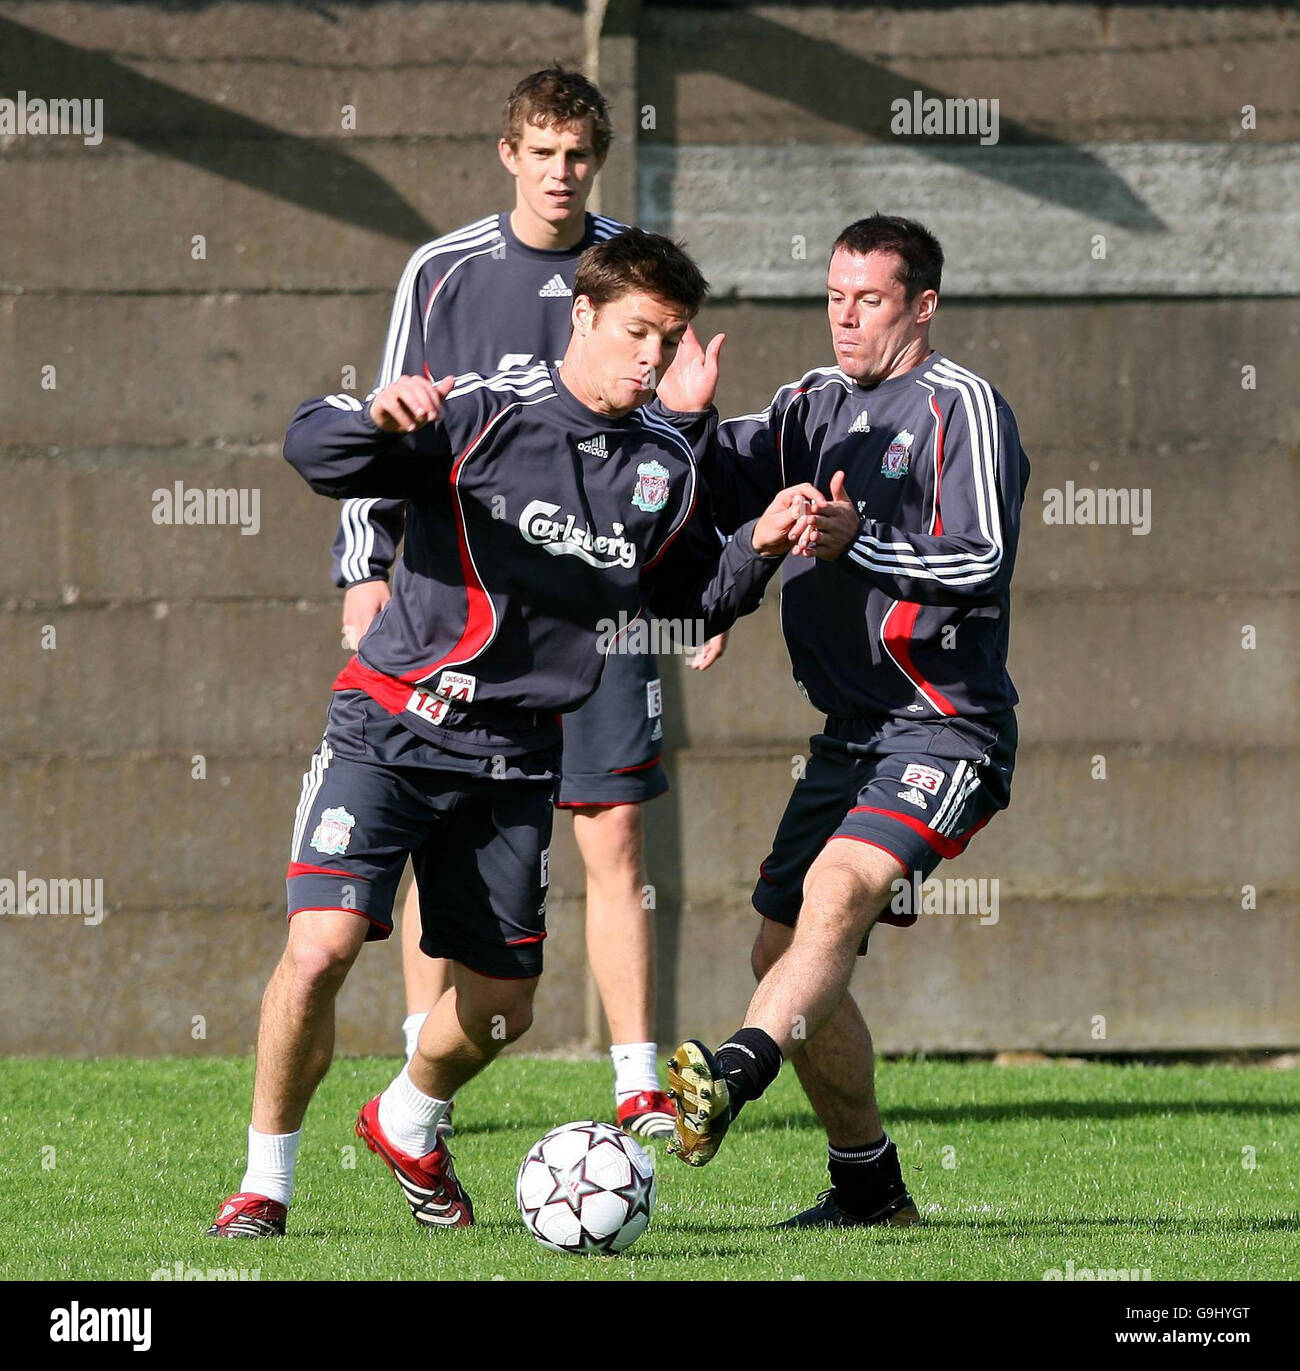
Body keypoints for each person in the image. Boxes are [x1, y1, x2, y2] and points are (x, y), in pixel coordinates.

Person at [208, 228, 816, 1236]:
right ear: (580, 316)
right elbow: (311, 450)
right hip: (390, 726)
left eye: (667, 343)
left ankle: (405, 1116)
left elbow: (682, 609)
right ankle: (263, 1186)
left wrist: (755, 547)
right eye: (636, 334)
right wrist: (374, 418)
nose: (651, 360)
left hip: (515, 754)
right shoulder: (485, 412)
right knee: (318, 949)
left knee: (501, 1011)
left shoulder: (662, 468)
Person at [335, 66, 722, 1141]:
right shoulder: (444, 269)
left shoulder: (633, 270)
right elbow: (388, 428)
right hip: (460, 600)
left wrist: (704, 602)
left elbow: (670, 455)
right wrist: (361, 570)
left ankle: (635, 1080)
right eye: (542, 153)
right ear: (510, 154)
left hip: (594, 607)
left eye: (578, 156)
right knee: (432, 820)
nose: (560, 174)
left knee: (613, 829)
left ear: (597, 161)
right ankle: (424, 1069)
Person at [654, 214, 1030, 1228]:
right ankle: (869, 1187)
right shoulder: (807, 404)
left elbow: (977, 560)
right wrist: (686, 419)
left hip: (944, 724)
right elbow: (709, 491)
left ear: (921, 305)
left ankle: (729, 1073)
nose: (846, 318)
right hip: (849, 736)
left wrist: (856, 543)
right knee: (780, 953)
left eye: (869, 300)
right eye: (833, 296)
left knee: (838, 886)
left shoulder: (964, 408)